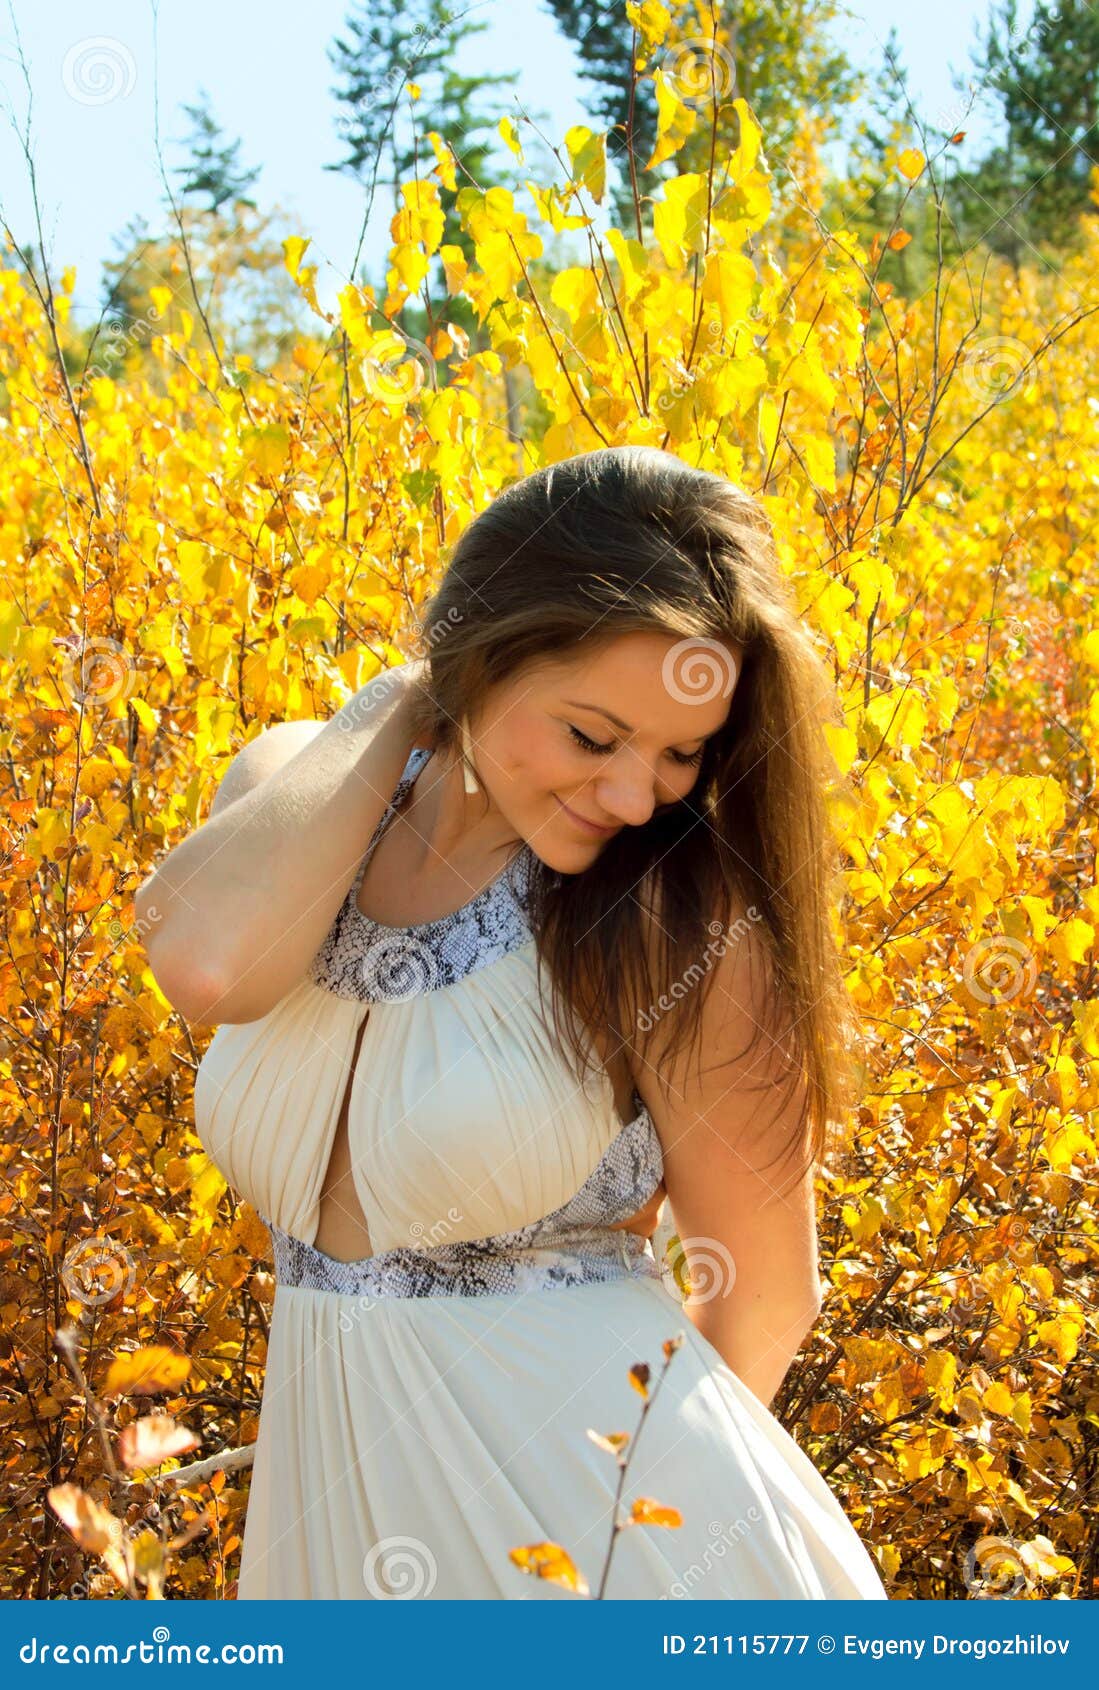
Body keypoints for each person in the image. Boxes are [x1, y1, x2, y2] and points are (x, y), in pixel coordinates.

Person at [137, 445, 888, 1601]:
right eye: (594, 736)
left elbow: (768, 1293)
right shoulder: (305, 785)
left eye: (680, 752)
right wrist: (405, 699)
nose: (637, 795)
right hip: (334, 1528)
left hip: (606, 1550)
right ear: (479, 658)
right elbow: (206, 963)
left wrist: (635, 1546)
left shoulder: (675, 913)